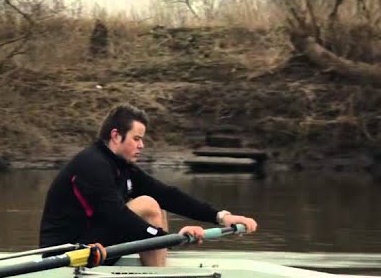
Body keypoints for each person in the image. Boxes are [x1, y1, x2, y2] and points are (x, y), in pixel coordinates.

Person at [38, 103, 259, 267]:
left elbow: (168, 194)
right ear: (116, 136)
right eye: (136, 138)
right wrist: (169, 239)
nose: (141, 145)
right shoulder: (92, 165)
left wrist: (221, 217)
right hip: (65, 255)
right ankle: (158, 277)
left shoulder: (121, 166)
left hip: (94, 246)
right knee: (147, 204)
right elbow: (117, 216)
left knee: (157, 201)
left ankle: (158, 270)